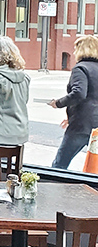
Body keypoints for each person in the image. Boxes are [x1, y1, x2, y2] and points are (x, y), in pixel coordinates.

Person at [49, 34, 98, 169]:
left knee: (60, 163)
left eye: (76, 49)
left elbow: (78, 93)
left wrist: (58, 103)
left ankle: (55, 182)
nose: (74, 52)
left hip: (82, 124)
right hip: (95, 125)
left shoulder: (81, 68)